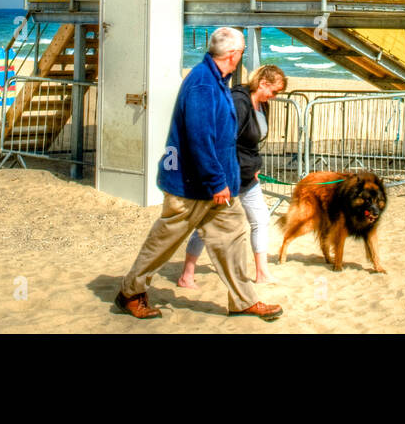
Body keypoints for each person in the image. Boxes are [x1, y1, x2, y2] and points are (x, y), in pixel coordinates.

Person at [114, 27, 282, 321]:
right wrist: (217, 181)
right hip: (192, 186)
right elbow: (199, 138)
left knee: (233, 238)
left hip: (217, 188)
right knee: (165, 241)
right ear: (233, 54)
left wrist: (226, 181)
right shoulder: (203, 84)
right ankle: (130, 292)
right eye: (241, 51)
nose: (241, 55)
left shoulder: (216, 80)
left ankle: (244, 301)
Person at [179, 64, 287, 288]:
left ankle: (262, 272)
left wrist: (255, 166)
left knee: (260, 220)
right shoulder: (238, 102)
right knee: (207, 226)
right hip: (227, 177)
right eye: (274, 91)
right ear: (263, 84)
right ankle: (187, 275)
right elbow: (222, 141)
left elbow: (253, 141)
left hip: (248, 176)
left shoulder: (262, 106)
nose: (274, 97)